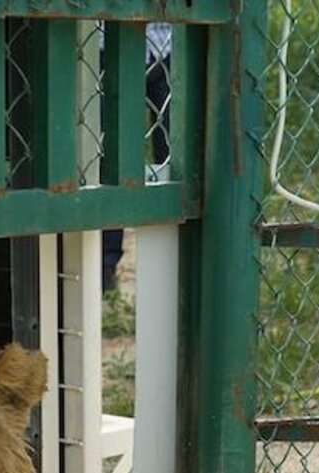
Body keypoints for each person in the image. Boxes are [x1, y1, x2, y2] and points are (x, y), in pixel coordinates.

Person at [103, 23, 173, 292]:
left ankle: (168, 258)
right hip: (111, 42)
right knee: (110, 157)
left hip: (167, 45)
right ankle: (106, 265)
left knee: (171, 159)